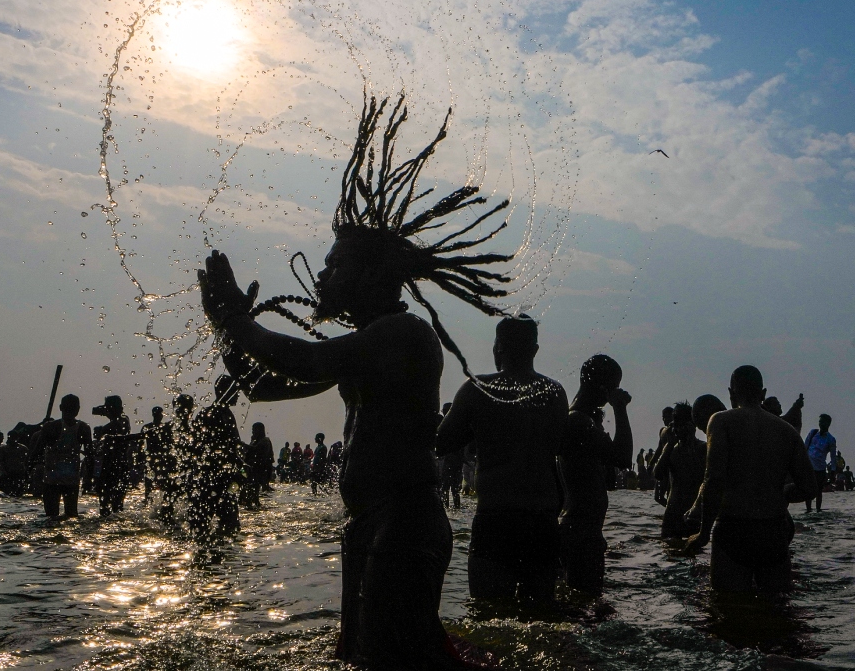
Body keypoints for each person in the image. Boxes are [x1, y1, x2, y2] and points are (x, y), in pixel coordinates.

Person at [199, 94, 514, 668]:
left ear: (372, 274)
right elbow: (263, 386)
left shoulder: (402, 333)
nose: (322, 273)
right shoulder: (366, 347)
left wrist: (238, 321)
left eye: (335, 263)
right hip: (372, 523)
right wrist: (227, 330)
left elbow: (307, 363)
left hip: (405, 524)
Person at [437, 315, 568, 601]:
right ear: (535, 350)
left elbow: (441, 442)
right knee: (542, 620)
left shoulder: (478, 389)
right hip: (543, 521)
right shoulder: (554, 393)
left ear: (497, 348)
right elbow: (559, 448)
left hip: (497, 518)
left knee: (488, 619)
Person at [685, 366, 817, 592]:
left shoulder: (720, 421)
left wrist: (703, 532)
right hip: (774, 532)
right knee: (777, 612)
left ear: (731, 393)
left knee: (726, 613)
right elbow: (809, 488)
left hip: (734, 529)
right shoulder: (787, 431)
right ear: (763, 393)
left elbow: (714, 479)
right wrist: (783, 493)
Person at [558, 354, 632, 597]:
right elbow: (623, 458)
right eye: (614, 386)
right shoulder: (578, 421)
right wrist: (620, 409)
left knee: (585, 606)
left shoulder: (585, 421)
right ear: (603, 386)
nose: (616, 392)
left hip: (585, 531)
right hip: (579, 533)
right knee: (584, 608)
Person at [186, 376, 245, 537]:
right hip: (212, 478)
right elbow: (211, 447)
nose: (238, 395)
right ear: (223, 392)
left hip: (218, 478)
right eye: (235, 391)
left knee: (224, 525)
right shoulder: (213, 414)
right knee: (216, 525)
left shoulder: (225, 414)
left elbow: (232, 446)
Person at [651, 403, 705, 539]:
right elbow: (657, 474)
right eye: (676, 423)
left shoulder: (702, 448)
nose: (678, 428)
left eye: (682, 424)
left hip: (693, 515)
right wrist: (669, 445)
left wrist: (690, 444)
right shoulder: (671, 449)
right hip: (671, 514)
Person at [36, 394, 92, 517]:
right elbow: (90, 456)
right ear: (78, 409)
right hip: (71, 478)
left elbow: (37, 452)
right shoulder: (84, 428)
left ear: (60, 407)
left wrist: (32, 472)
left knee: (51, 516)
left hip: (52, 478)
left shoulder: (50, 427)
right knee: (71, 515)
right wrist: (90, 479)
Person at [94, 395, 132, 516]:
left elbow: (103, 448)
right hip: (123, 465)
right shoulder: (125, 420)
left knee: (105, 503)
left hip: (110, 467)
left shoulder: (111, 426)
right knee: (118, 503)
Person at [803, 414, 837, 512]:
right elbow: (805, 448)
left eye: (822, 422)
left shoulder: (831, 439)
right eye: (820, 421)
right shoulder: (813, 433)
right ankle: (808, 510)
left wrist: (833, 471)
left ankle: (818, 510)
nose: (820, 423)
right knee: (808, 489)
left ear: (828, 424)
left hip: (820, 468)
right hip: (809, 466)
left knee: (818, 491)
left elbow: (833, 457)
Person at [141, 406, 172, 504]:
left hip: (160, 457)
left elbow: (169, 442)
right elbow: (140, 444)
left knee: (160, 480)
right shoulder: (148, 427)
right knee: (149, 481)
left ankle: (159, 500)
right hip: (152, 457)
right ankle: (148, 499)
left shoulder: (164, 427)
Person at [651, 407, 674, 506]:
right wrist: (651, 463)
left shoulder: (675, 430)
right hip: (662, 467)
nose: (664, 419)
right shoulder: (662, 431)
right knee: (658, 497)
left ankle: (673, 513)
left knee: (671, 494)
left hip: (672, 467)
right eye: (663, 417)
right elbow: (659, 448)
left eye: (667, 417)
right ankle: (671, 511)